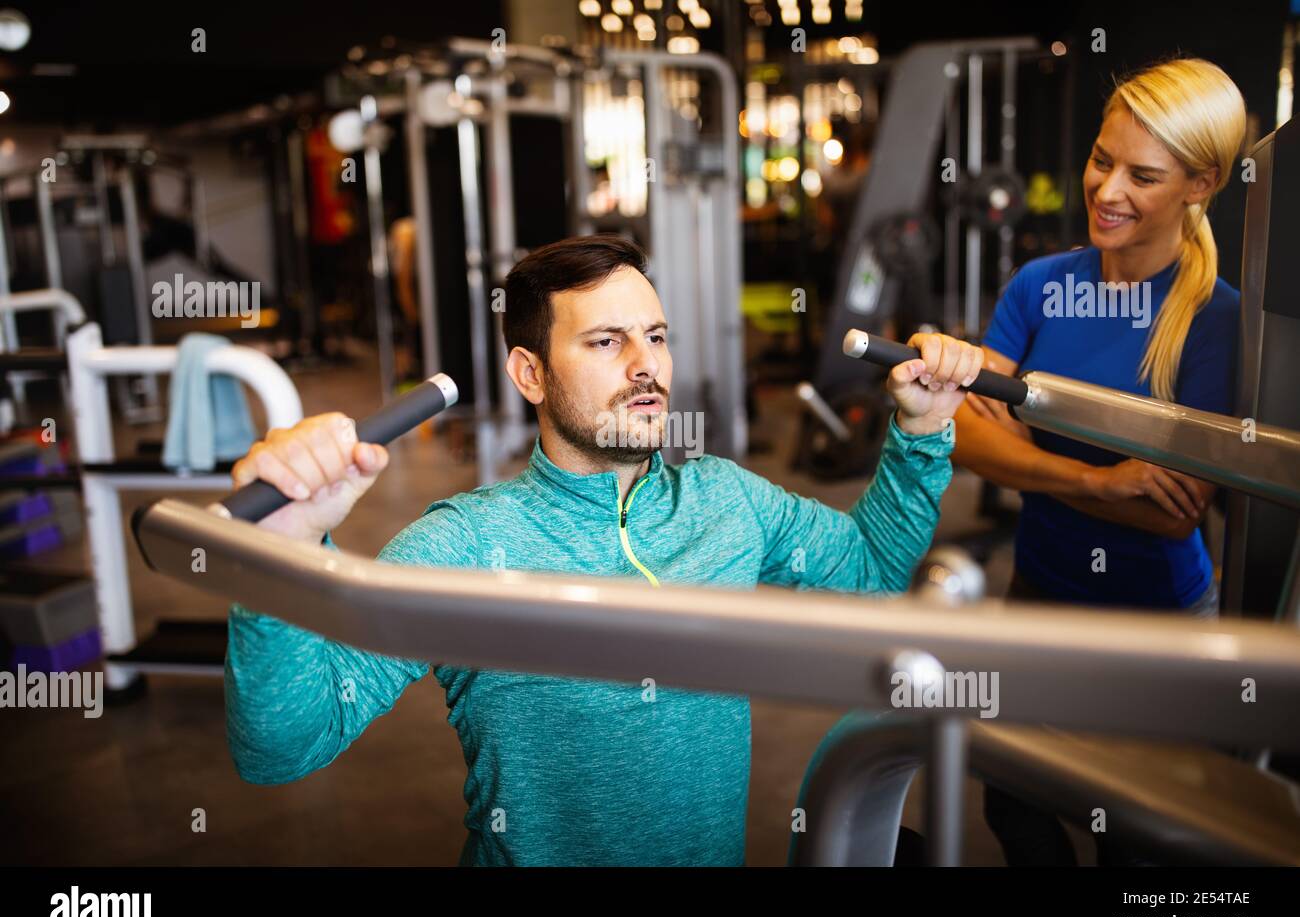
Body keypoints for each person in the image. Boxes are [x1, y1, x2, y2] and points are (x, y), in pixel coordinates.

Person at [224, 234, 984, 866]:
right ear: (531, 373)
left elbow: (873, 572)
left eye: (655, 337)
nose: (644, 365)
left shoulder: (726, 500)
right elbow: (283, 746)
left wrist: (920, 431)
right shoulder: (467, 544)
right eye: (605, 341)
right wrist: (278, 554)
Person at [950, 58, 1246, 865]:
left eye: (1142, 175)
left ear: (1201, 182)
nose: (1107, 190)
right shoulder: (1041, 286)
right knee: (1015, 812)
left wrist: (1027, 457)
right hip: (1039, 596)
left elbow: (1170, 506)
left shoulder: (1218, 321)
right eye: (1101, 159)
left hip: (1155, 628)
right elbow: (964, 434)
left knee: (1136, 846)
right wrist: (1095, 479)